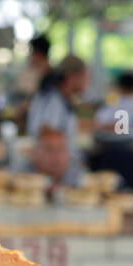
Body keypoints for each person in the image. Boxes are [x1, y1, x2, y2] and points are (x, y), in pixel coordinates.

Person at [27, 55, 89, 186]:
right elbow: (48, 138)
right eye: (85, 76)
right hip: (55, 176)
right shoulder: (53, 101)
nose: (88, 81)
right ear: (72, 76)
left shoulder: (60, 99)